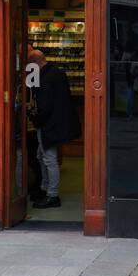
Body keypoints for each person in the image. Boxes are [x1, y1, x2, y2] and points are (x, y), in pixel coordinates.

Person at [29, 48, 79, 209]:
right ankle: (45, 188)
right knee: (41, 155)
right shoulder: (57, 72)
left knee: (49, 159)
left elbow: (44, 106)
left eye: (30, 64)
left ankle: (52, 195)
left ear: (36, 62)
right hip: (58, 121)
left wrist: (35, 120)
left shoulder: (45, 78)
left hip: (49, 124)